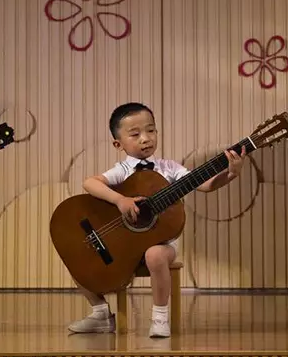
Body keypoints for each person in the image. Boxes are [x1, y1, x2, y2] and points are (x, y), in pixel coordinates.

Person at [67, 102, 246, 338]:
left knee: (155, 254)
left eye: (151, 130)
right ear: (118, 144)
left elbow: (203, 184)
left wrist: (230, 173)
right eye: (135, 134)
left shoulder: (168, 168)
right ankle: (100, 313)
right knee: (77, 256)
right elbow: (90, 183)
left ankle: (160, 317)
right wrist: (121, 201)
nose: (145, 138)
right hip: (125, 244)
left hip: (161, 242)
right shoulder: (121, 171)